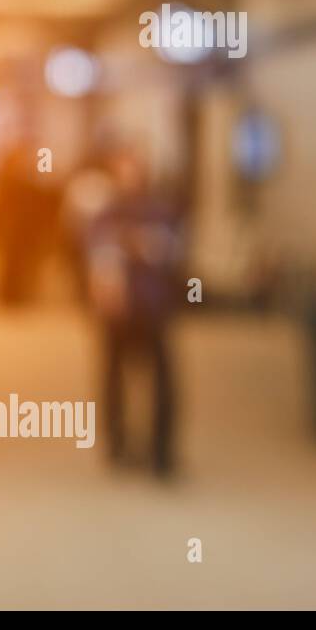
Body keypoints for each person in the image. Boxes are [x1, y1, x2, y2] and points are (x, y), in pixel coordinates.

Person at [87, 146, 183, 479]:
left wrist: (132, 245)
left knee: (162, 378)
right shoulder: (106, 212)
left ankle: (161, 451)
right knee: (114, 377)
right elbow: (98, 256)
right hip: (118, 310)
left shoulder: (160, 210)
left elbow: (165, 250)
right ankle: (118, 444)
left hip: (152, 306)